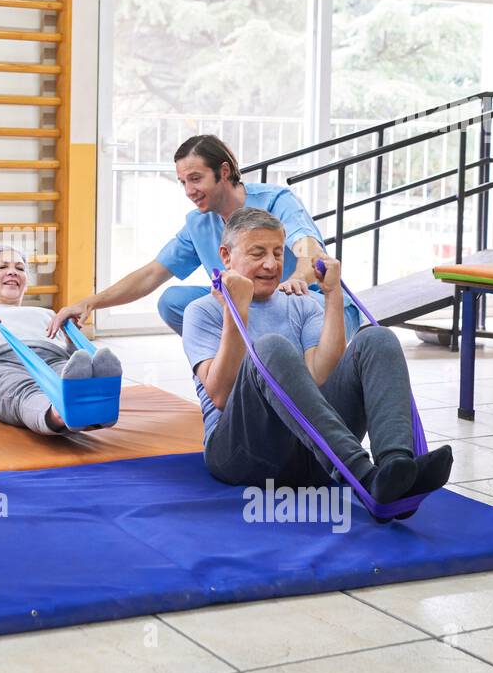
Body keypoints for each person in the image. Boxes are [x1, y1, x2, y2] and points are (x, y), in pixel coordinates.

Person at [182, 207, 452, 516]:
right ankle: (364, 476)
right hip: (243, 456)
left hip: (311, 454)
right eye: (257, 253)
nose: (270, 264)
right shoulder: (201, 311)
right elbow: (219, 395)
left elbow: (320, 374)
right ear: (226, 256)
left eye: (277, 253)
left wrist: (331, 293)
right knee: (270, 347)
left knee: (378, 337)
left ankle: (395, 471)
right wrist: (236, 313)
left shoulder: (299, 303)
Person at [48, 134, 360, 339]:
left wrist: (297, 280)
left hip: (309, 305)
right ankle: (237, 361)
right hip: (261, 313)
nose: (189, 191)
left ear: (224, 172)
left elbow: (310, 252)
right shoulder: (199, 223)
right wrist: (90, 302)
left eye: (196, 179)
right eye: (183, 182)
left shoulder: (277, 201)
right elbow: (151, 274)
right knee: (173, 301)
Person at [0, 245, 123, 435]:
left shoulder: (48, 314)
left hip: (50, 360)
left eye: (19, 268)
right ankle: (58, 413)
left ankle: (96, 400)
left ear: (26, 283)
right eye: (2, 267)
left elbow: (75, 363)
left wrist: (70, 339)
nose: (12, 272)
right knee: (18, 390)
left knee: (65, 373)